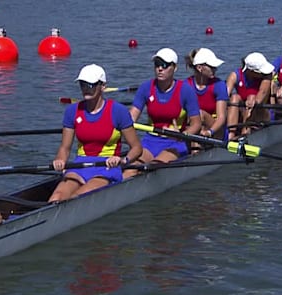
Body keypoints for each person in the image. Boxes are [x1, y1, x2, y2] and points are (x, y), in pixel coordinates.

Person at [50, 64, 143, 202]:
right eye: (82, 84)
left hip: (106, 167)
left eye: (91, 84)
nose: (86, 88)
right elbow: (65, 148)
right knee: (56, 198)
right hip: (80, 165)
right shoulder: (72, 111)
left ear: (103, 86)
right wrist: (60, 160)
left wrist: (124, 160)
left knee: (77, 198)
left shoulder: (118, 111)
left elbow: (137, 148)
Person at [126, 48, 202, 176]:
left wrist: (181, 135)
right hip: (150, 141)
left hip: (175, 143)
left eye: (165, 65)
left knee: (155, 167)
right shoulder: (146, 88)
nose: (160, 69)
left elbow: (196, 124)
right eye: (157, 64)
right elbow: (130, 119)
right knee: (129, 169)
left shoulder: (185, 90)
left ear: (175, 68)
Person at [184, 47, 229, 143]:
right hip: (193, 127)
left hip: (216, 130)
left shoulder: (219, 85)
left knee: (199, 114)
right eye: (212, 67)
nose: (215, 69)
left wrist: (210, 132)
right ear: (199, 68)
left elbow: (221, 117)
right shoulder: (186, 85)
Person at [225, 52, 273, 138]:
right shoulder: (235, 75)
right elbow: (224, 97)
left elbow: (262, 92)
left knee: (252, 97)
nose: (263, 73)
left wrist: (253, 101)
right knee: (234, 97)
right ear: (251, 71)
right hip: (243, 112)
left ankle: (245, 133)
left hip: (262, 113)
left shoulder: (267, 75)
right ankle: (230, 136)